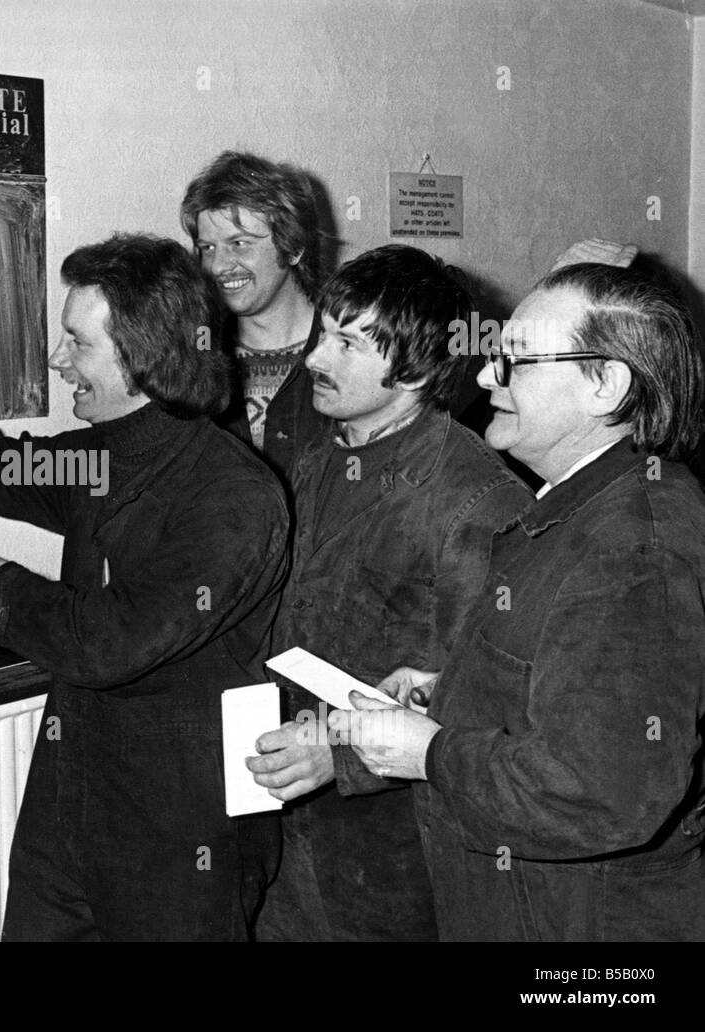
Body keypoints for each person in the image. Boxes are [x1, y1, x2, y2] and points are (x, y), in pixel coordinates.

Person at [0, 234, 289, 940]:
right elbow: (3, 467)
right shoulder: (103, 458)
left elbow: (113, 640)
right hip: (72, 803)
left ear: (145, 359)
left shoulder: (234, 497)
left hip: (183, 830)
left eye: (78, 344)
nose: (57, 359)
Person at [340, 261, 705, 940]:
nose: (485, 378)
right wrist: (450, 692)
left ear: (605, 384)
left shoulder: (631, 551)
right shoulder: (584, 507)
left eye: (514, 361)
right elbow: (566, 679)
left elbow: (602, 792)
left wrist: (432, 752)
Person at [244, 244, 532, 941]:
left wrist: (335, 754)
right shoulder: (320, 460)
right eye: (324, 333)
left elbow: (480, 698)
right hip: (288, 830)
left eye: (347, 342)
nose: (315, 358)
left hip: (398, 853)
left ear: (417, 366)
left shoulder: (478, 500)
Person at [180, 151, 329, 484]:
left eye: (239, 243)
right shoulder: (195, 358)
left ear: (293, 247)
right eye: (207, 248)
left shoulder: (355, 351)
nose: (218, 266)